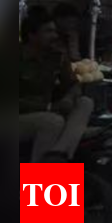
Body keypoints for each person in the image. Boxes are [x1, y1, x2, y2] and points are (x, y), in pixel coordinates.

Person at [19, 12, 94, 162]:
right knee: (53, 121)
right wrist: (47, 107)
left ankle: (57, 154)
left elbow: (74, 85)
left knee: (85, 102)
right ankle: (42, 179)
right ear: (32, 35)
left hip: (47, 111)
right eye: (48, 31)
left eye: (54, 31)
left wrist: (68, 97)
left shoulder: (56, 57)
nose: (54, 35)